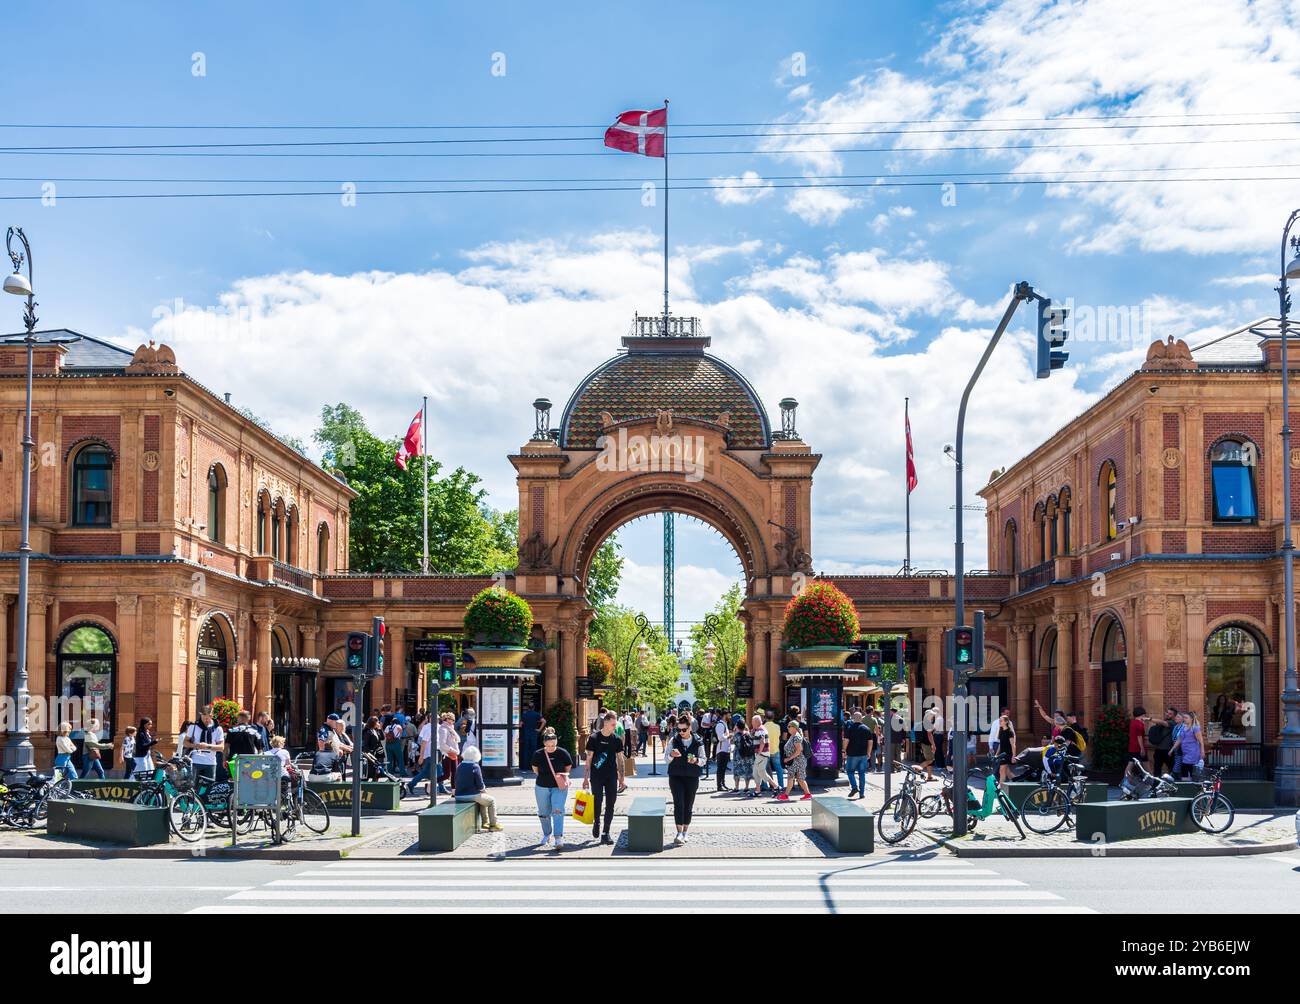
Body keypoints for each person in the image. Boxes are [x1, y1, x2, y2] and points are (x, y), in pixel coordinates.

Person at [583, 711, 623, 845]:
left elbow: (620, 759)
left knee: (610, 804)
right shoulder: (594, 738)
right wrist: (585, 778)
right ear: (606, 723)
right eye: (613, 724)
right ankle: (597, 822)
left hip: (611, 775)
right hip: (597, 776)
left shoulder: (616, 739)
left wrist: (622, 778)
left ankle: (606, 833)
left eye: (615, 724)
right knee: (597, 801)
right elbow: (588, 759)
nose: (614, 726)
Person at [532, 727, 573, 850]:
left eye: (553, 745)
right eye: (549, 746)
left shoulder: (562, 753)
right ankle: (546, 833)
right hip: (542, 786)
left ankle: (558, 837)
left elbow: (568, 767)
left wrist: (560, 778)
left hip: (559, 787)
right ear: (544, 743)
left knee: (558, 810)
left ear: (556, 742)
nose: (551, 748)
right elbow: (535, 770)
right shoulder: (538, 754)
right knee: (543, 812)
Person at [666, 714, 705, 844]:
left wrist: (696, 760)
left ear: (690, 728)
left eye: (684, 730)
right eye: (679, 730)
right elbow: (666, 759)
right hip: (676, 776)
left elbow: (704, 760)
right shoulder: (673, 740)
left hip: (692, 777)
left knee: (688, 805)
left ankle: (685, 832)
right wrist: (671, 755)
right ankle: (678, 833)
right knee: (679, 804)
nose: (681, 732)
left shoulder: (698, 741)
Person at [455, 745, 504, 832]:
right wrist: (484, 790)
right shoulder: (475, 766)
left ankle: (485, 822)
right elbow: (480, 785)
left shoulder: (459, 766)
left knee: (483, 799)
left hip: (458, 795)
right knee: (491, 801)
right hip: (471, 795)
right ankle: (493, 824)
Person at [183, 707, 225, 783]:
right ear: (201, 715)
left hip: (210, 762)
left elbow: (221, 747)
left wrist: (207, 746)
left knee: (208, 788)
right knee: (192, 787)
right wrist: (196, 745)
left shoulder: (218, 728)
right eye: (204, 717)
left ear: (212, 716)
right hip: (195, 761)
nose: (206, 720)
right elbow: (185, 742)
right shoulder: (193, 727)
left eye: (208, 718)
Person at [777, 719, 812, 801]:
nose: (787, 728)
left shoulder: (796, 736)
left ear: (794, 727)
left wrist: (788, 758)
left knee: (798, 778)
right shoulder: (793, 736)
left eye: (789, 726)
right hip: (795, 761)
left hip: (798, 761)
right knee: (794, 778)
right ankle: (806, 794)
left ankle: (787, 795)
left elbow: (799, 750)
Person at [843, 711, 872, 798]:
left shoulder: (850, 728)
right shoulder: (866, 729)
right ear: (861, 718)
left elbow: (846, 740)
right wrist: (869, 752)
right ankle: (862, 793)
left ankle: (854, 787)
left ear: (853, 718)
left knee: (850, 771)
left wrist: (844, 750)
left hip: (852, 754)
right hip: (863, 754)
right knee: (862, 773)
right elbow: (870, 742)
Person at [1148, 708, 1177, 776]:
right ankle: (1156, 785)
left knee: (1171, 769)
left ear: (1174, 716)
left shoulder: (1172, 723)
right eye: (1167, 712)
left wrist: (1149, 719)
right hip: (1158, 750)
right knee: (1157, 769)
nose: (1167, 714)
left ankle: (1172, 785)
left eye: (1170, 714)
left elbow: (1164, 723)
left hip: (1168, 751)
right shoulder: (1162, 722)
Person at [749, 714, 773, 795]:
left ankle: (775, 786)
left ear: (756, 722)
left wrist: (759, 752)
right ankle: (758, 790)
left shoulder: (760, 730)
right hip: (762, 754)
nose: (752, 724)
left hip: (762, 754)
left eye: (752, 722)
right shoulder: (760, 729)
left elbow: (762, 741)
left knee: (760, 772)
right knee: (757, 772)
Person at [1176, 711, 1203, 779]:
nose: (1184, 719)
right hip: (1185, 752)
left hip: (1193, 753)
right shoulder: (1183, 728)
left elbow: (1200, 741)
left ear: (1191, 719)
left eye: (1186, 718)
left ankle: (1190, 784)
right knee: (1185, 769)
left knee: (1188, 768)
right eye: (1184, 717)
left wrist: (1202, 751)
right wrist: (1172, 749)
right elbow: (1179, 739)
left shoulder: (1195, 728)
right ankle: (1186, 784)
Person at [924, 704, 946, 781]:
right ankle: (941, 765)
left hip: (938, 735)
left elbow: (934, 728)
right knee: (938, 750)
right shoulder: (938, 718)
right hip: (938, 735)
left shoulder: (939, 719)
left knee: (937, 750)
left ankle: (940, 765)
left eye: (933, 711)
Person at [520, 702, 543, 773]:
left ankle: (525, 768)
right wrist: (539, 729)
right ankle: (533, 768)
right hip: (534, 734)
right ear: (533, 708)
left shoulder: (524, 715)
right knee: (534, 750)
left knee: (525, 750)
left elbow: (520, 725)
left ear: (528, 708)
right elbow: (544, 721)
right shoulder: (537, 714)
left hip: (526, 734)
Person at [764, 710, 785, 789]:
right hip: (775, 750)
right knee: (779, 769)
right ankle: (781, 785)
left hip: (765, 751)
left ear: (765, 717)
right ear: (773, 718)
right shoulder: (777, 726)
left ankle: (765, 785)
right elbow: (779, 736)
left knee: (764, 770)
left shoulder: (763, 727)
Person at [995, 712, 1017, 782]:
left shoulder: (1010, 732)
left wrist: (1013, 756)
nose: (1000, 722)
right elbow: (1000, 744)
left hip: (1007, 754)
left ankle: (1000, 790)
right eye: (999, 721)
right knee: (1008, 773)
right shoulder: (1001, 731)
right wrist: (996, 754)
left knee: (1001, 772)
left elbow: (1013, 744)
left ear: (1006, 722)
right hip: (1002, 754)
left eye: (1001, 721)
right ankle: (1019, 782)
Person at [713, 713, 732, 791]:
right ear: (725, 715)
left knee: (723, 768)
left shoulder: (724, 724)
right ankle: (719, 786)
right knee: (720, 768)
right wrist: (729, 736)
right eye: (729, 715)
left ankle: (723, 784)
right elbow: (720, 738)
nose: (730, 717)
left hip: (725, 749)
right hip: (721, 750)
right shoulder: (720, 725)